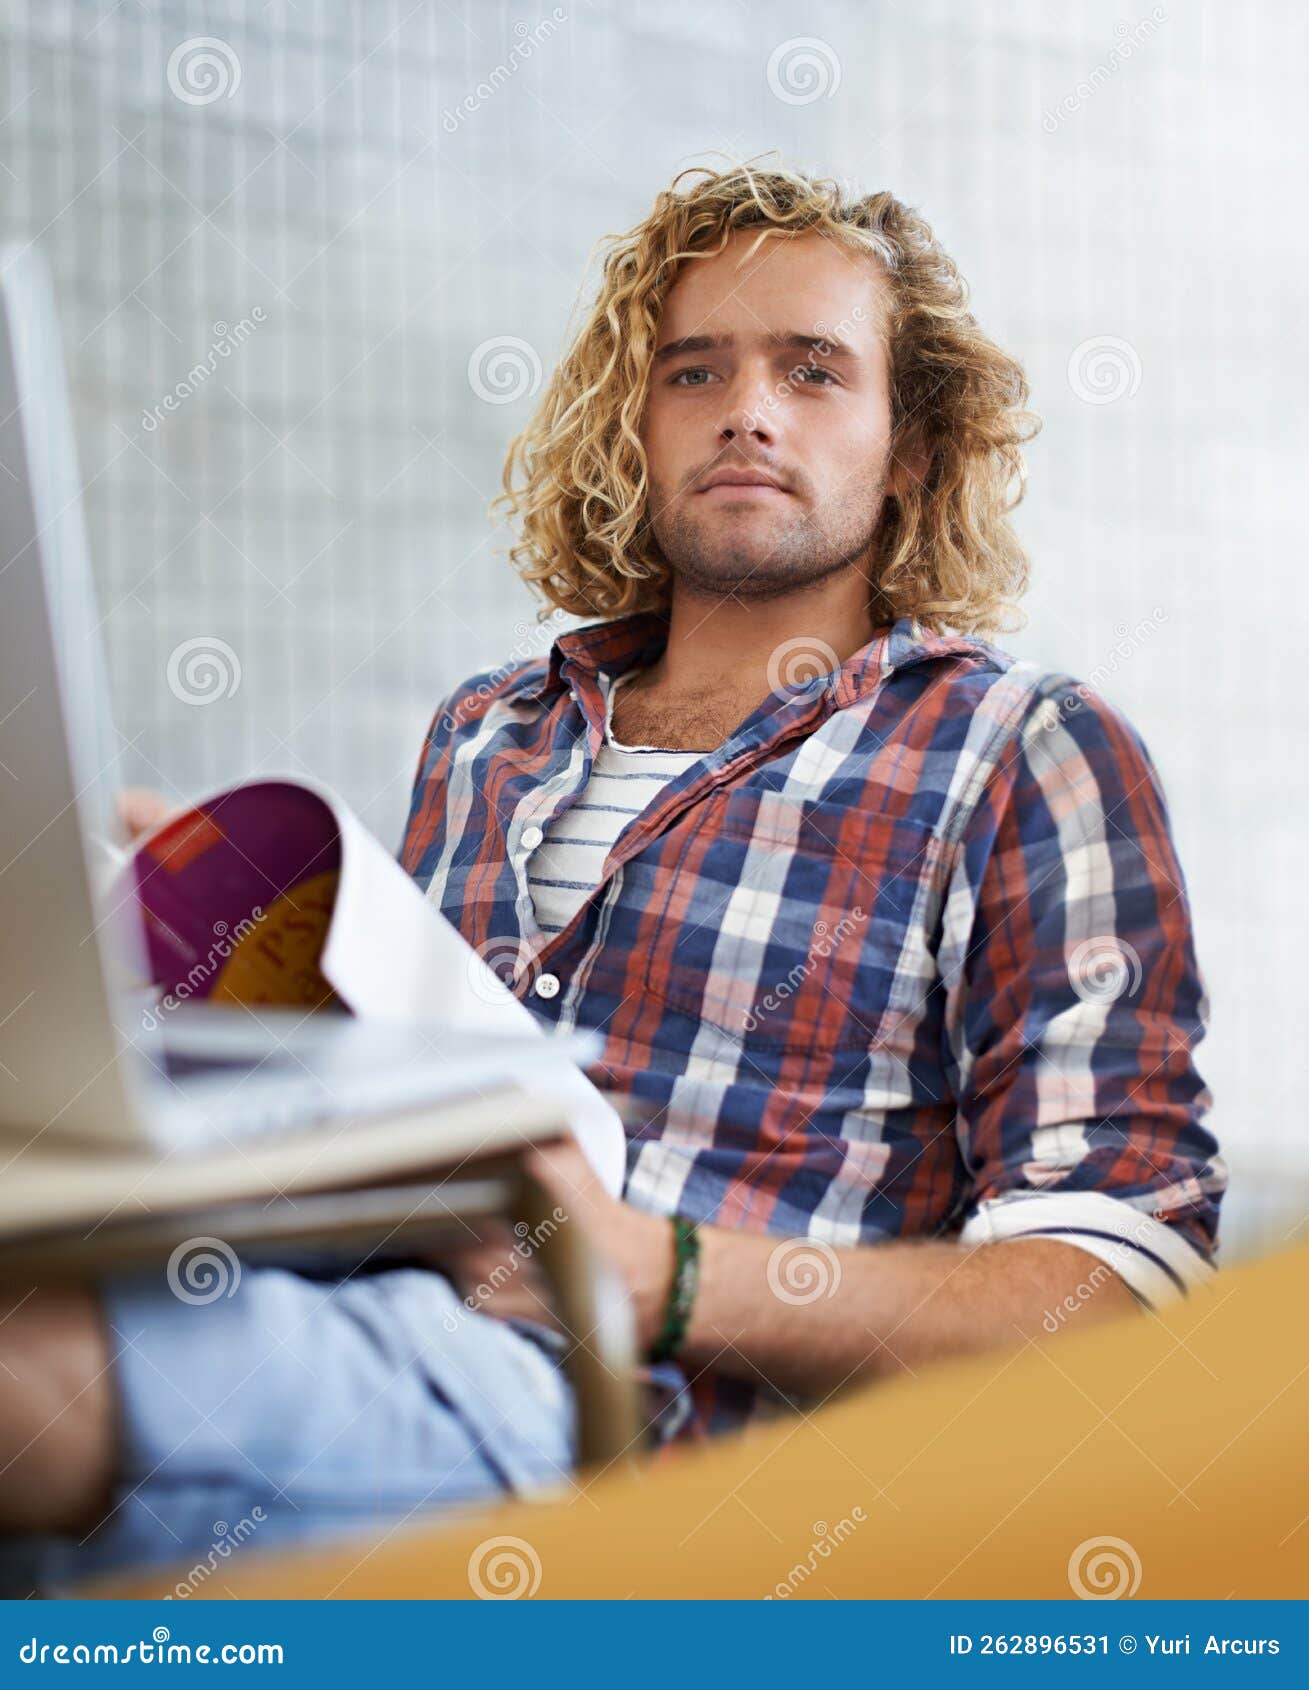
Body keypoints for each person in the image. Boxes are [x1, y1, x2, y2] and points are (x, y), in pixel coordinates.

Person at [0, 161, 1226, 1590]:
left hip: (650, 1445)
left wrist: (665, 1270)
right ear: (634, 424)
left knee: (26, 1373)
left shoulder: (1019, 749)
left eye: (813, 371)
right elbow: (400, 1110)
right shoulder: (485, 735)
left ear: (908, 446)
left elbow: (1120, 1294)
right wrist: (191, 941)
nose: (745, 409)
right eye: (692, 368)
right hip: (347, 1299)